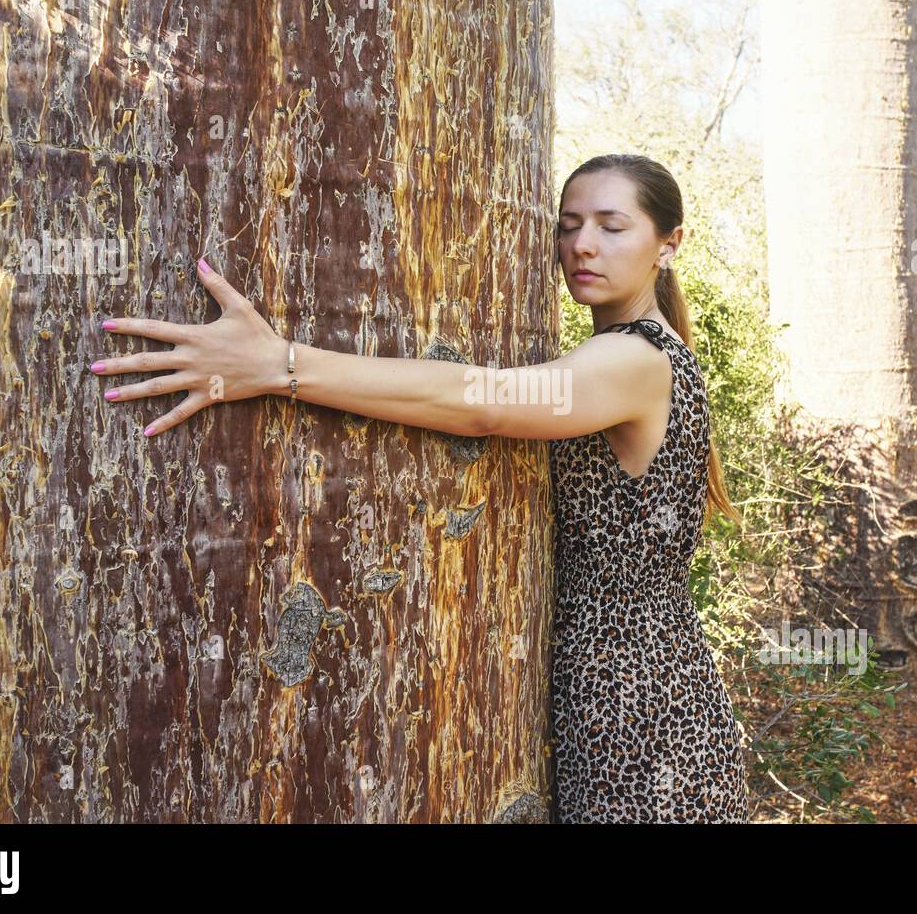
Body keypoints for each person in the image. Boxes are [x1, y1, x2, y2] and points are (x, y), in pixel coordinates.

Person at [91, 152, 749, 823]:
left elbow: (485, 402)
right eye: (568, 223)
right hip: (621, 700)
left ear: (669, 244)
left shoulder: (637, 358)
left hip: (646, 724)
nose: (581, 243)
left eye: (613, 225)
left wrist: (278, 364)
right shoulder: (633, 351)